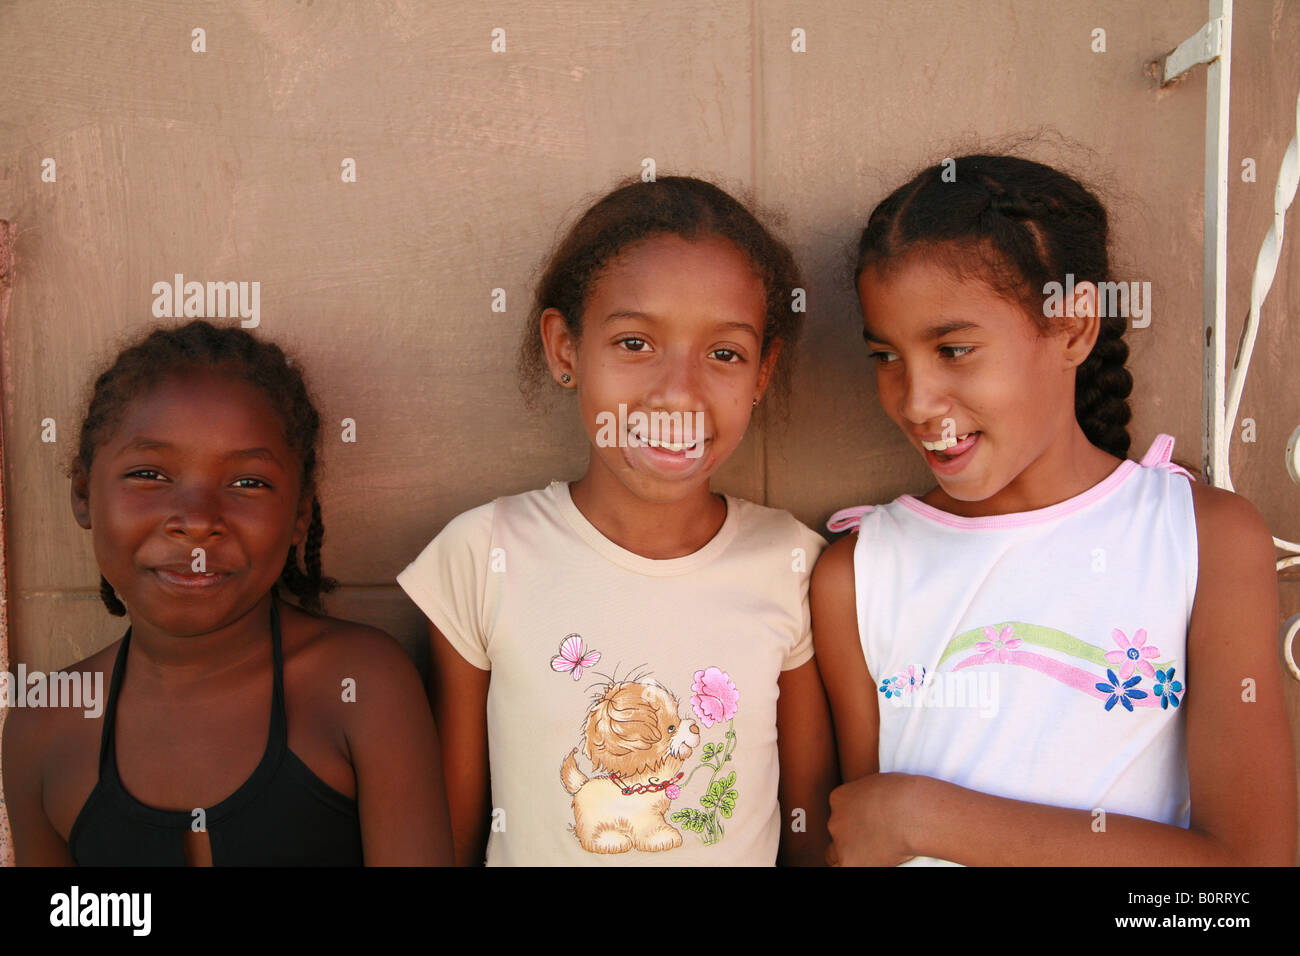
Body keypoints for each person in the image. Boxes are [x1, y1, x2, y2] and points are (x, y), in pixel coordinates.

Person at [813, 154, 1296, 865]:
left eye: (954, 348)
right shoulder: (859, 574)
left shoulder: (1201, 539)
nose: (915, 402)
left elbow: (1240, 891)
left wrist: (926, 816)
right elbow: (863, 844)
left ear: (1072, 329)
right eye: (886, 356)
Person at [398, 175, 837, 865]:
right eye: (635, 343)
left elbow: (808, 829)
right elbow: (456, 826)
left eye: (724, 354)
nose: (678, 392)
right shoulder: (485, 554)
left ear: (761, 372)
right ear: (565, 349)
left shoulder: (794, 565)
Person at [3, 320, 451, 865]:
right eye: (149, 473)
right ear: (82, 493)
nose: (196, 522)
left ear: (299, 517)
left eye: (248, 483)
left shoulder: (360, 685)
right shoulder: (43, 727)